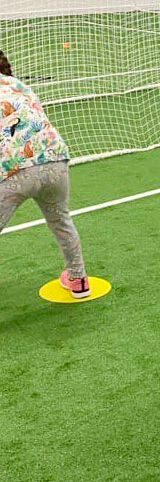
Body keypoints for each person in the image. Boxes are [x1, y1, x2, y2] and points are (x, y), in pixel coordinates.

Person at [0, 49, 90, 297]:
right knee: (61, 220)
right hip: (55, 160)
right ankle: (79, 280)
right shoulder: (20, 85)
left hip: (15, 170)